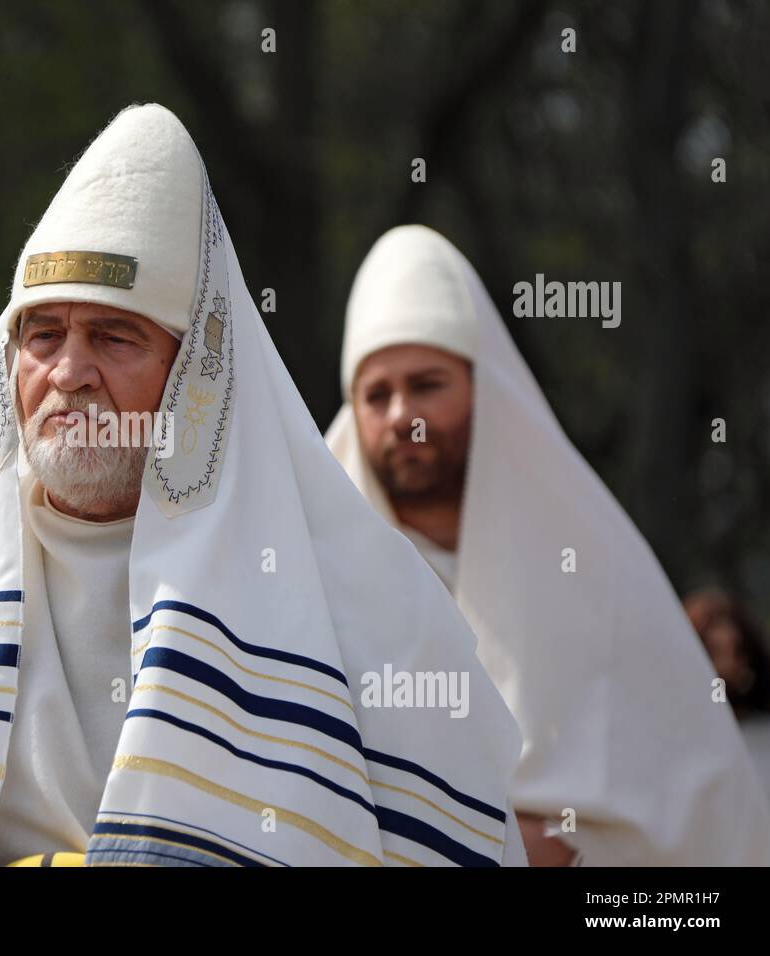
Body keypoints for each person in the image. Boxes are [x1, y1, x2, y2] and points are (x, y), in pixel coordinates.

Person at [0, 105, 527, 868]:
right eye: (41, 334)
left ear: (198, 380)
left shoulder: (368, 612)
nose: (67, 373)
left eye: (114, 335)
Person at [326, 224, 770, 865]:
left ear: (484, 392)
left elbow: (700, 819)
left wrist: (568, 846)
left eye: (427, 384)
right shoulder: (317, 577)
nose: (401, 415)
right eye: (377, 394)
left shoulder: (593, 573)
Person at [685, 587, 770, 799]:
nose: (728, 666)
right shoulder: (685, 742)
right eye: (713, 651)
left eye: (737, 651)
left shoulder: (760, 734)